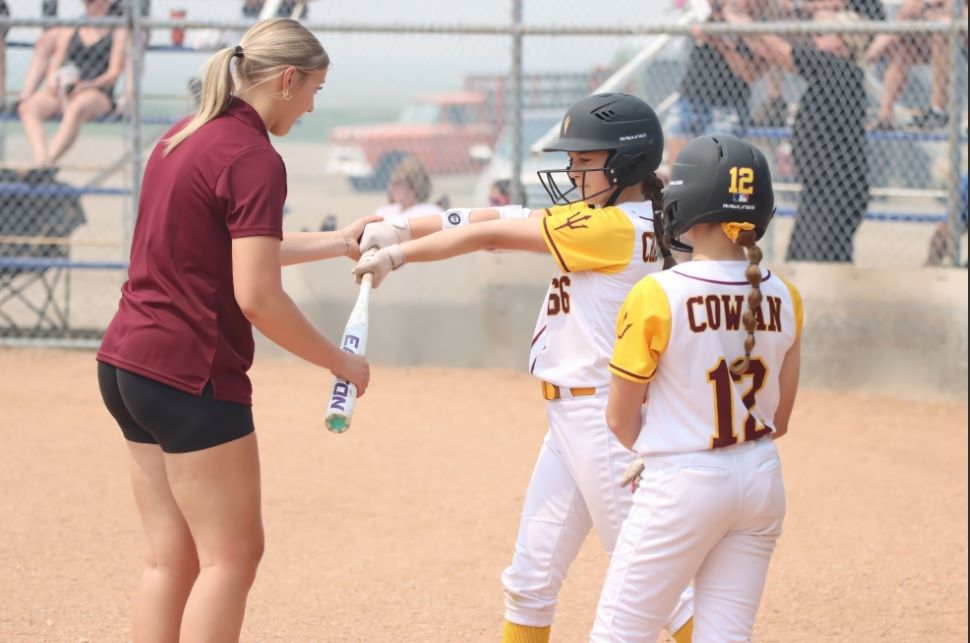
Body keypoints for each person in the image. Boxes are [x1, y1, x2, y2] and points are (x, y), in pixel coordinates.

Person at [352, 93, 695, 643]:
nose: (574, 173)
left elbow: (491, 233)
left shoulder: (612, 228)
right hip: (571, 420)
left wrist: (399, 253)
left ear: (627, 161)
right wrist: (404, 228)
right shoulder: (619, 216)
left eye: (586, 161)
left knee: (659, 589)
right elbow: (509, 215)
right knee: (530, 580)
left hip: (604, 422)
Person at [95, 19, 371, 641]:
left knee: (170, 558)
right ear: (288, 79)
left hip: (126, 364)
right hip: (188, 374)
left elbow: (238, 248)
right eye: (314, 90)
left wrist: (338, 241)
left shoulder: (183, 134)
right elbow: (258, 297)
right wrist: (339, 361)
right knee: (231, 557)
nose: (311, 106)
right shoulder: (254, 158)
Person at [590, 134, 801, 641]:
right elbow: (780, 420)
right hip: (761, 480)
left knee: (619, 634)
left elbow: (619, 419)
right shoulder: (786, 294)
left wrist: (662, 448)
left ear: (686, 204)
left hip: (682, 481)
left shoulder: (658, 292)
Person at [729, 7, 870, 262]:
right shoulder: (834, 69)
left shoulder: (837, 67)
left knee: (819, 260)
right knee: (802, 257)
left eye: (822, 35)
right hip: (821, 187)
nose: (815, 39)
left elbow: (779, 51)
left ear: (841, 41)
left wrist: (739, 18)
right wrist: (742, 25)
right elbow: (768, 50)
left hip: (837, 189)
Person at [18, 0, 128, 167]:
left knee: (76, 108)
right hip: (66, 88)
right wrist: (55, 80)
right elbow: (57, 63)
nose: (91, 5)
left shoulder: (118, 31)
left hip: (97, 91)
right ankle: (42, 160)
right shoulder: (70, 29)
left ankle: (43, 166)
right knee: (28, 107)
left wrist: (87, 85)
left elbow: (113, 73)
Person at [663, 0, 769, 171]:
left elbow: (749, 74)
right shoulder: (710, 14)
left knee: (711, 171)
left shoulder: (760, 29)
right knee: (679, 171)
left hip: (728, 107)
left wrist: (718, 41)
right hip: (690, 99)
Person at [866, 0, 966, 130]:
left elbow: (959, 12)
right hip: (930, 30)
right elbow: (906, 12)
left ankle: (938, 110)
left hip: (955, 33)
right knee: (903, 50)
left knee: (942, 29)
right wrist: (926, 10)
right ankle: (885, 116)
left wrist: (928, 8)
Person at [374, 155, 440, 219]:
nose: (391, 187)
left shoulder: (428, 212)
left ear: (412, 189)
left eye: (397, 183)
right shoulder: (384, 211)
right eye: (392, 183)